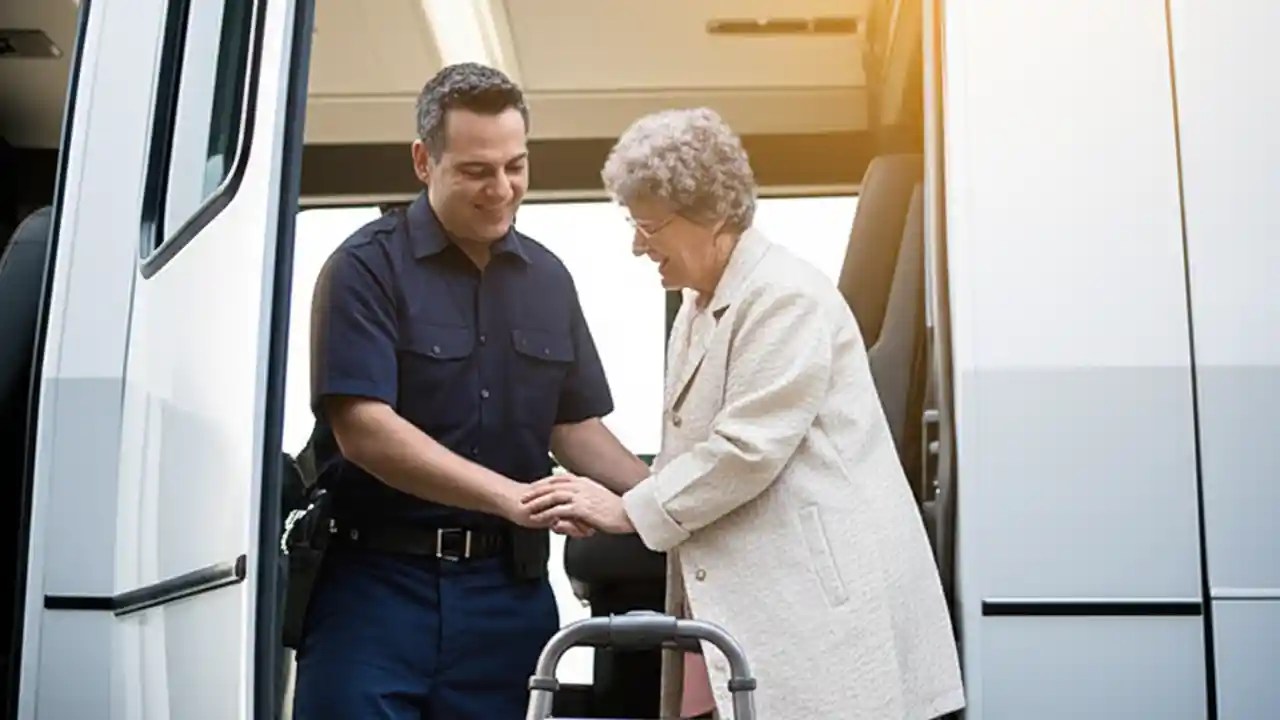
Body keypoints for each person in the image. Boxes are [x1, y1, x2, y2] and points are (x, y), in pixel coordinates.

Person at [522, 108, 967, 719]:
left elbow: (745, 450)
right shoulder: (701, 304)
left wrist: (628, 510)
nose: (636, 245)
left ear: (713, 216)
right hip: (742, 601)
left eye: (649, 226)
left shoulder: (785, 295)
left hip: (811, 609)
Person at [291, 63, 649, 719]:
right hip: (375, 591)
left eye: (516, 166)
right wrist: (511, 498)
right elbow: (364, 428)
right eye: (477, 171)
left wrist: (667, 499)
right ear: (424, 161)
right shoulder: (364, 268)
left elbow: (571, 427)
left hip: (506, 600)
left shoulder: (548, 279)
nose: (502, 189)